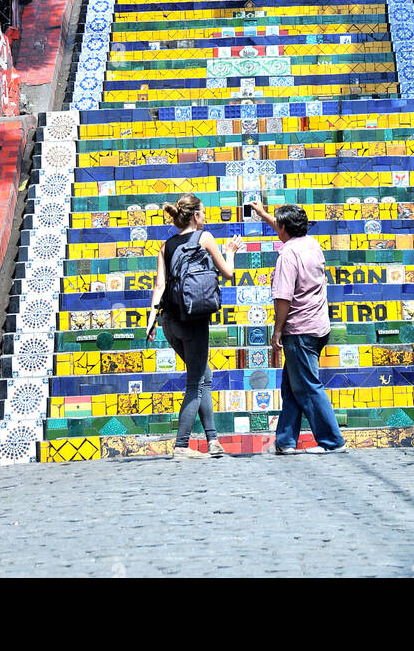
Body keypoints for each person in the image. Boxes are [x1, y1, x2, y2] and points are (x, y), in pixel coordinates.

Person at [248, 198, 346, 454]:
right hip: (317, 326)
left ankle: (332, 441)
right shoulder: (312, 245)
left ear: (283, 229)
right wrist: (263, 214)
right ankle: (286, 442)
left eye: (278, 225)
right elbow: (285, 230)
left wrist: (277, 331)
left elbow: (283, 297)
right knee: (292, 386)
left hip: (299, 329)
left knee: (308, 386)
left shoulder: (288, 256)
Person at [147, 193, 240, 459]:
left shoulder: (166, 246)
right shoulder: (205, 238)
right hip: (194, 320)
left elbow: (160, 286)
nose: (206, 216)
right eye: (204, 212)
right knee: (196, 383)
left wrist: (151, 320)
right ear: (196, 215)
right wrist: (229, 253)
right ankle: (181, 445)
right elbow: (228, 273)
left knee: (204, 376)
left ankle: (213, 442)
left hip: (169, 322)